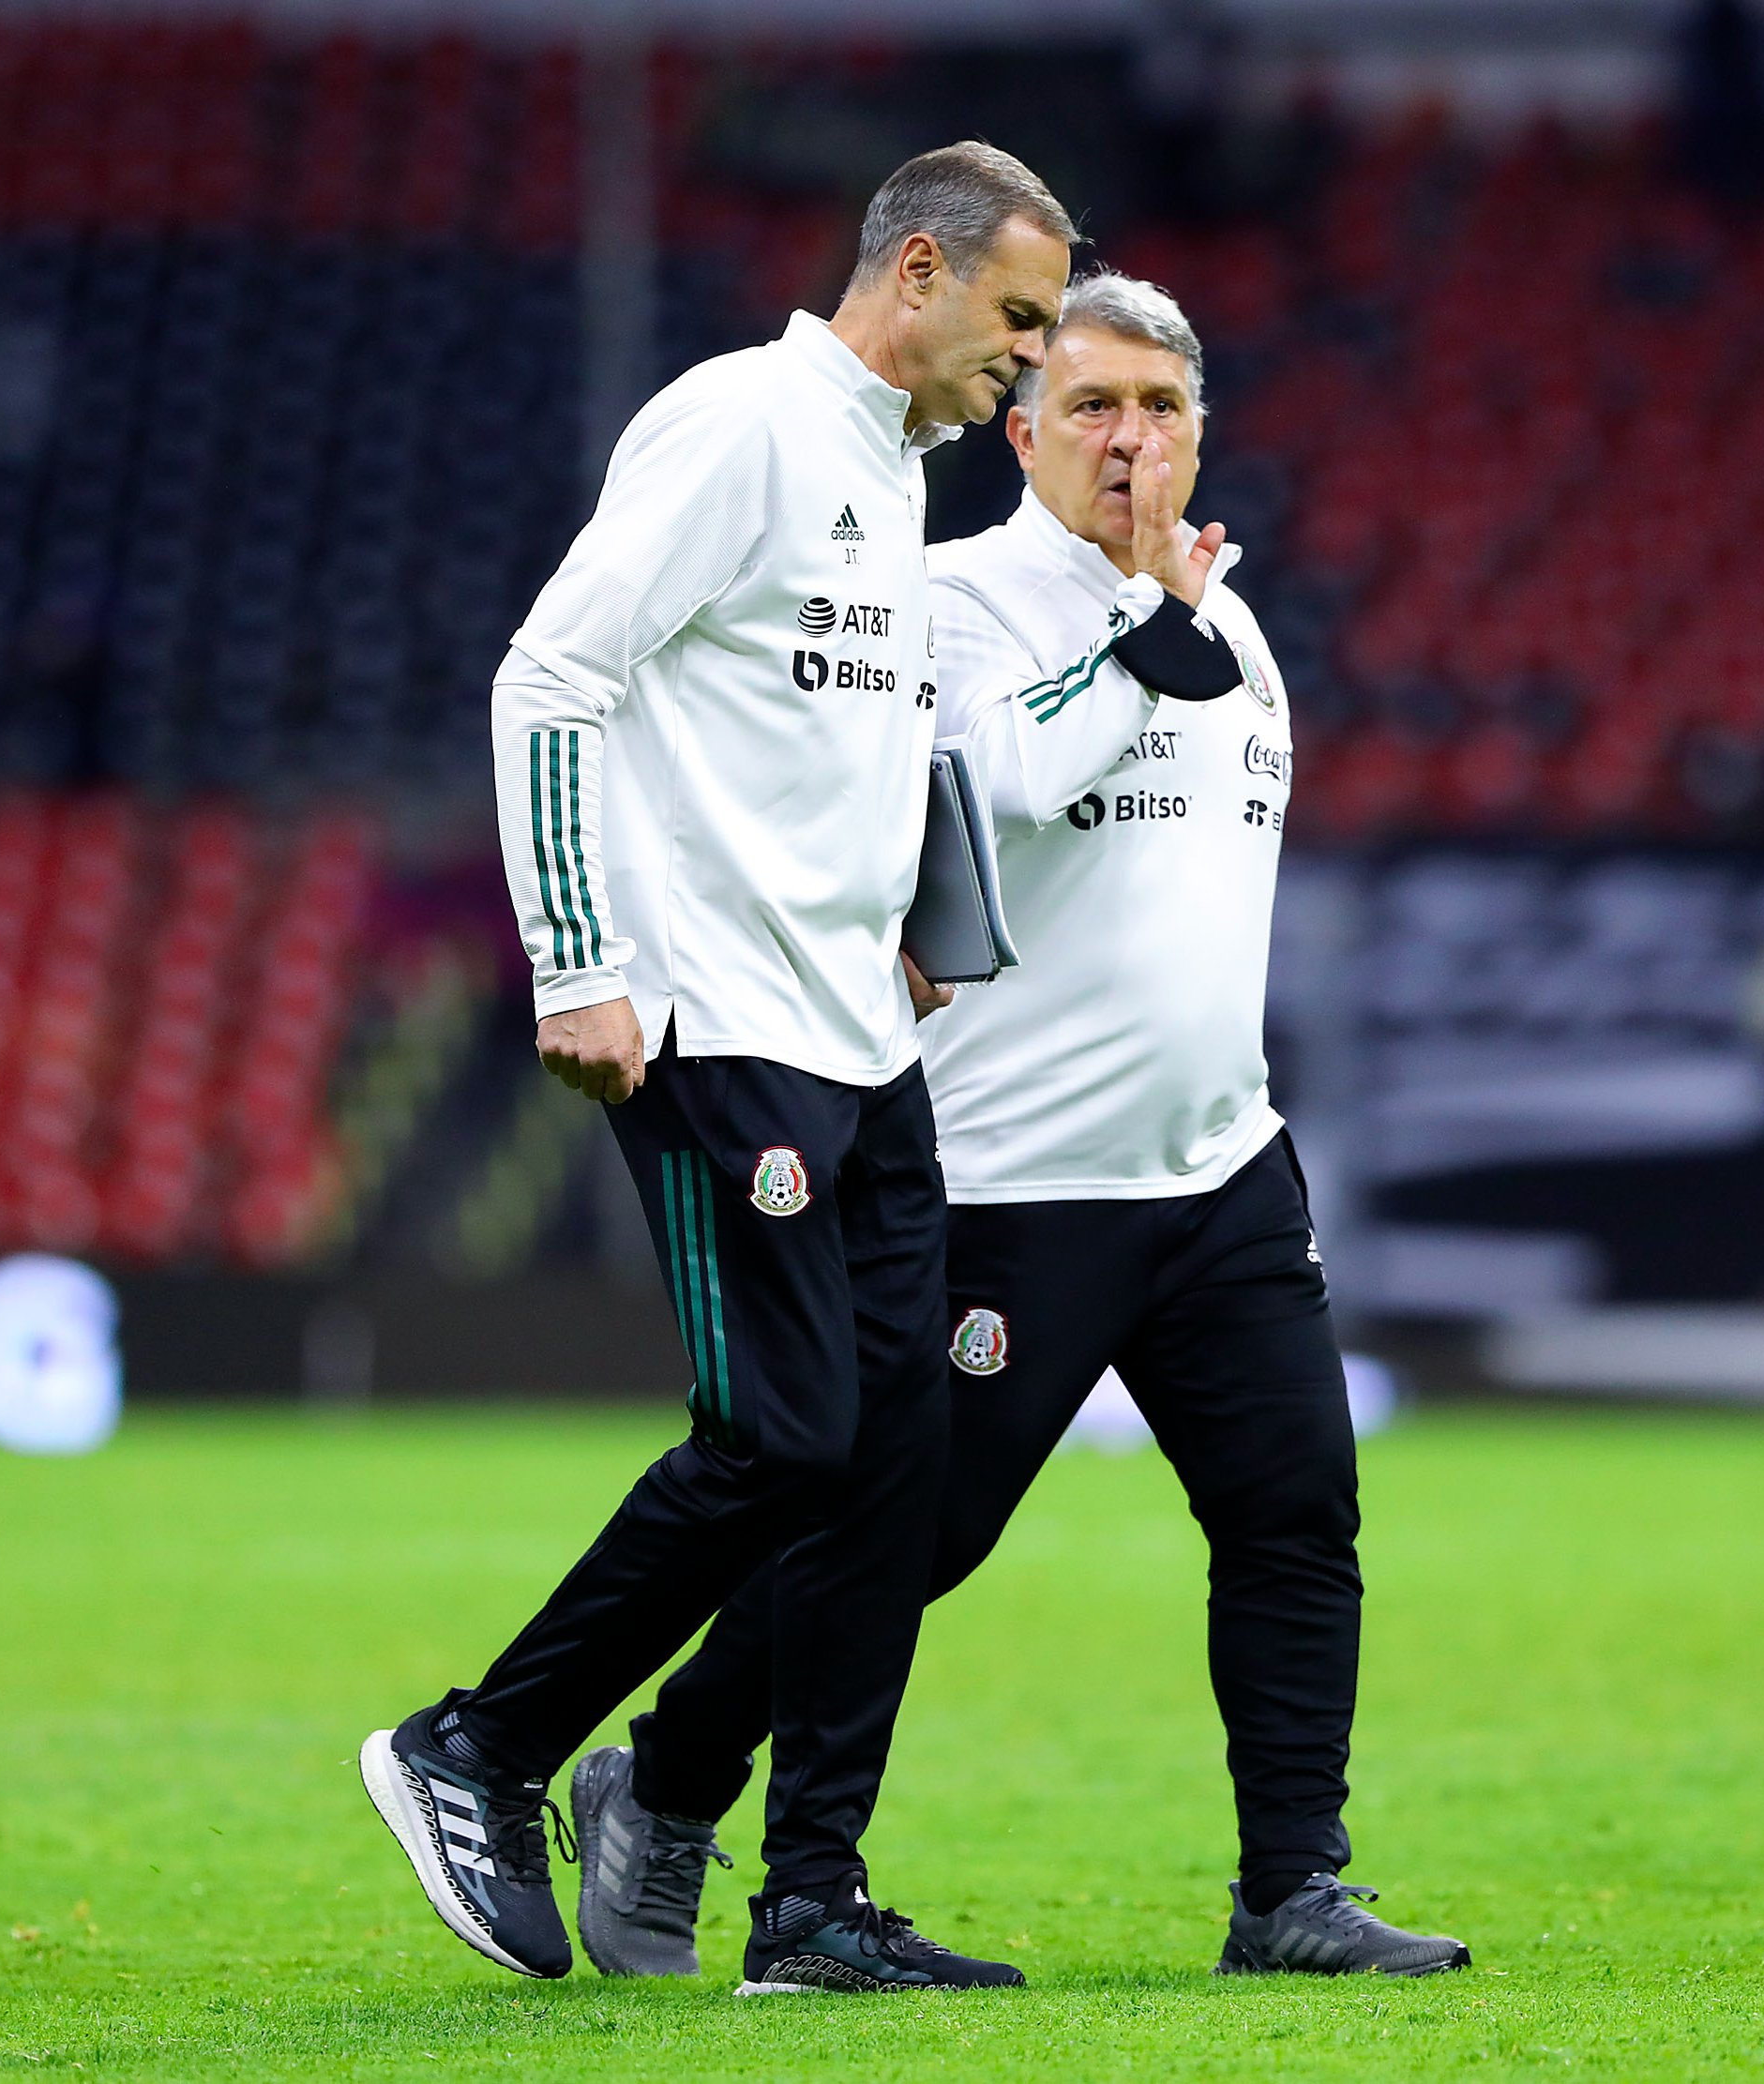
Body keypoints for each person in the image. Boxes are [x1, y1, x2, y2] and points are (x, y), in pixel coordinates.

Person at [565, 273, 1472, 1982]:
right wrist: (1140, 622)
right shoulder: (948, 601)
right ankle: (663, 1784)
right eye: (1091, 405)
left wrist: (1171, 613)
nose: (1130, 437)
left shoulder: (1239, 625)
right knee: (909, 1540)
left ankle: (1292, 1886)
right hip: (1004, 1176)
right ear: (1020, 427)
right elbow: (986, 795)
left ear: (1203, 428)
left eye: (1162, 407)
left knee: (1296, 1512)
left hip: (1217, 1165)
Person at [360, 143, 1084, 1998]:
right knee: (785, 1434)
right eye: (1013, 316)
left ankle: (811, 1903)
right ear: (911, 272)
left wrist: (927, 914)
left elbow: (840, 741)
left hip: (860, 1036)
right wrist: (581, 958)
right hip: (716, 1027)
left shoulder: (890, 481)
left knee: (896, 1459)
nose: (1028, 355)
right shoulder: (745, 424)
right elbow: (554, 676)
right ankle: (480, 1743)